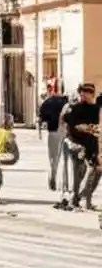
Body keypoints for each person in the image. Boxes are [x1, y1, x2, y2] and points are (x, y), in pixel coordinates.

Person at [62, 82, 100, 211]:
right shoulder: (76, 108)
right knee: (80, 171)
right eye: (81, 92)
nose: (82, 94)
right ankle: (75, 199)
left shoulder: (96, 108)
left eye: (85, 92)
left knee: (96, 172)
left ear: (91, 94)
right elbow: (68, 121)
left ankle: (84, 198)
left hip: (91, 144)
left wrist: (91, 129)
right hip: (76, 144)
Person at [39, 85, 70, 191]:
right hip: (64, 130)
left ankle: (52, 176)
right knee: (64, 158)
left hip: (52, 131)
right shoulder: (66, 102)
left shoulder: (47, 102)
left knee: (53, 157)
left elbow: (42, 117)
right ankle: (63, 183)